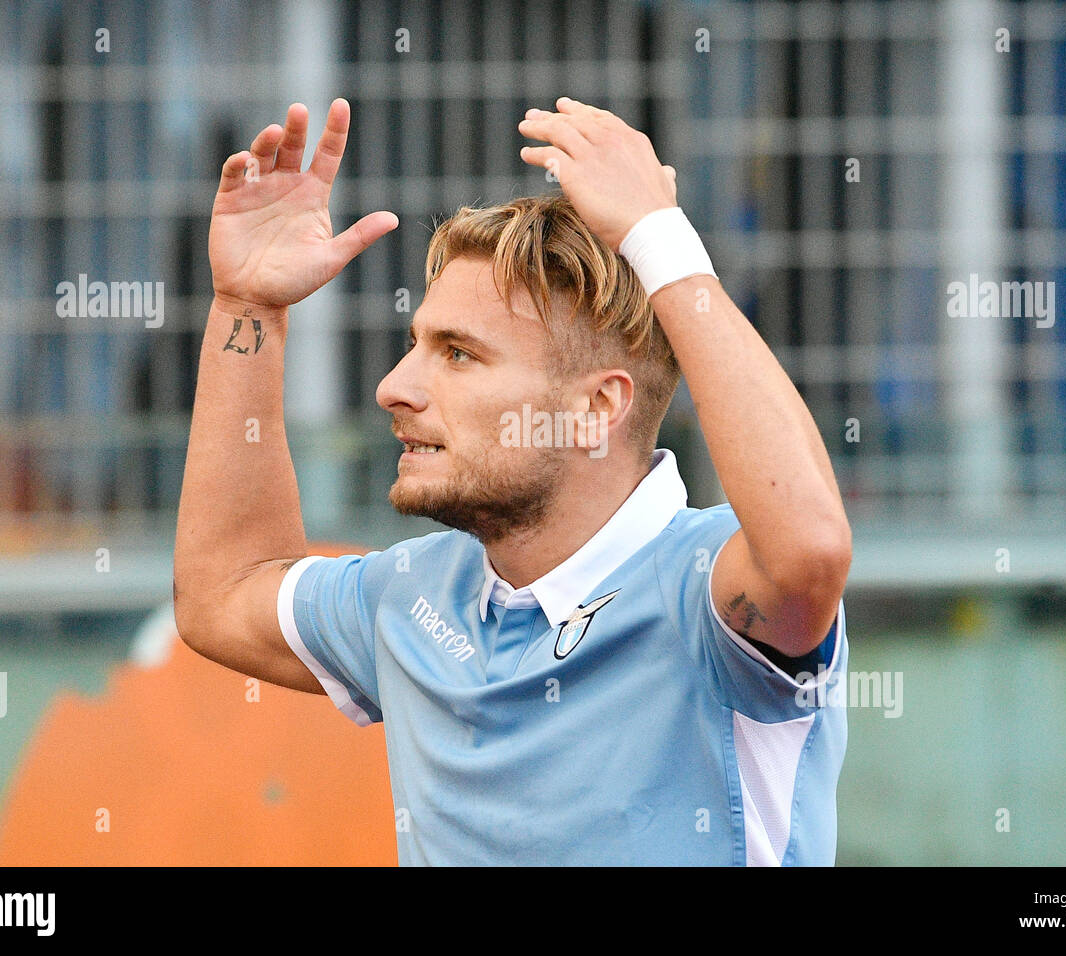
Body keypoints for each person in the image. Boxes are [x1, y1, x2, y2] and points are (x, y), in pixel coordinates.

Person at [174, 96, 853, 866]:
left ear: (596, 408)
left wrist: (660, 239)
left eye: (458, 354)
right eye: (415, 344)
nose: (394, 386)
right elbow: (222, 592)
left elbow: (811, 549)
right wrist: (249, 306)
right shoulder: (412, 596)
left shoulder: (707, 591)